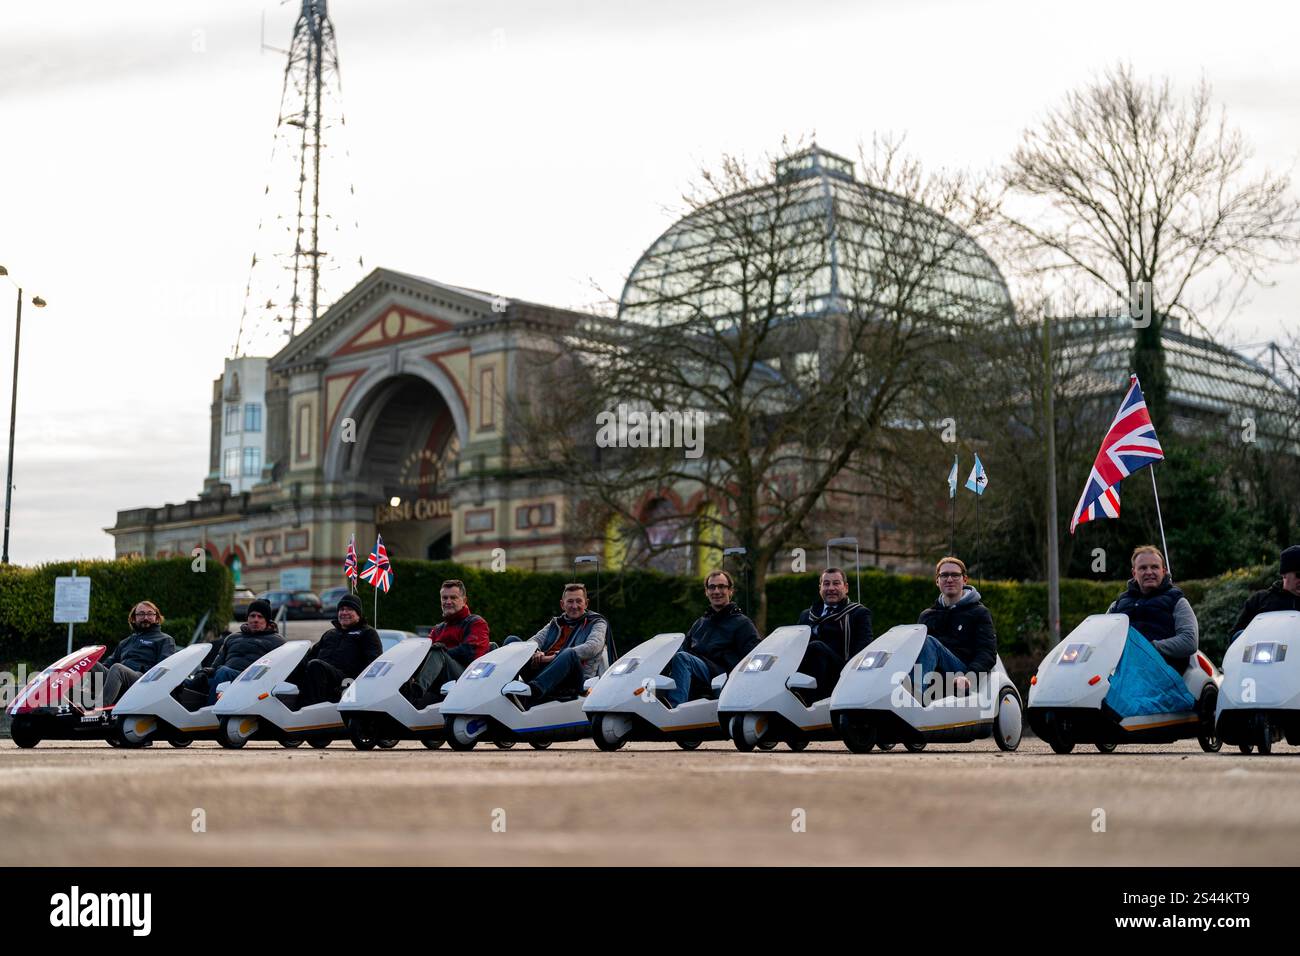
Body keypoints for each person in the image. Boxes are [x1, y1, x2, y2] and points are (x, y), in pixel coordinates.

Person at [663, 570, 759, 708]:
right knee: (673, 650)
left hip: (722, 675)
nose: (716, 591)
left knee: (682, 658)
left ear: (730, 591)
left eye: (721, 586)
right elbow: (684, 647)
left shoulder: (742, 623)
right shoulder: (700, 623)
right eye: (712, 587)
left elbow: (753, 656)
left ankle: (674, 709)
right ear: (706, 592)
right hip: (698, 668)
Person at [509, 583, 609, 705]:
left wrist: (554, 656)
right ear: (562, 604)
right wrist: (537, 653)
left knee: (569, 652)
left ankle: (535, 691)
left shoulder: (597, 622)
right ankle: (506, 691)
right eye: (570, 601)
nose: (574, 606)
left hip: (573, 678)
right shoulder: (556, 623)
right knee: (513, 641)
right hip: (544, 671)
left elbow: (593, 647)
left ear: (586, 603)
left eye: (579, 601)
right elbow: (532, 642)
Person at [913, 556, 997, 699]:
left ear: (965, 579)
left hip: (962, 673)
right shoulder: (927, 616)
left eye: (955, 575)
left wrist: (969, 676)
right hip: (932, 675)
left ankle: (914, 698)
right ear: (937, 580)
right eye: (944, 575)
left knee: (929, 642)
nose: (949, 579)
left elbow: (987, 653)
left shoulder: (979, 612)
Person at [1106, 545, 1198, 671]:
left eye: (1154, 567)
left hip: (1163, 675)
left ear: (1163, 571)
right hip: (1124, 672)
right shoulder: (1118, 604)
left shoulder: (1177, 601)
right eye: (1143, 568)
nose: (1149, 572)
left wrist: (1149, 648)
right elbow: (1102, 637)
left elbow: (1189, 641)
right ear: (1134, 573)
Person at [405, 579, 491, 707]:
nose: (448, 602)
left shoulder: (476, 623)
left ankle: (414, 692)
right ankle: (403, 689)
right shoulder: (438, 629)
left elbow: (471, 653)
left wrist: (443, 651)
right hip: (438, 683)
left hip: (467, 679)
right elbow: (424, 653)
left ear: (464, 600)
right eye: (444, 598)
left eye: (453, 597)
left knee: (436, 652)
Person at [183, 599, 284, 707]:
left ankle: (211, 712)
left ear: (267, 620)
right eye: (252, 616)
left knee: (223, 671)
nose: (255, 620)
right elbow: (216, 666)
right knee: (183, 682)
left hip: (250, 682)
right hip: (223, 678)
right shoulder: (232, 638)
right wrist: (204, 672)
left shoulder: (276, 641)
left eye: (260, 617)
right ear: (247, 618)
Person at [795, 568, 873, 703]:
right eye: (826, 584)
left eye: (836, 583)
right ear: (820, 588)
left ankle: (812, 700)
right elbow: (795, 647)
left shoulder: (858, 614)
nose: (831, 588)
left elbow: (863, 649)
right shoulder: (807, 615)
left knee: (816, 647)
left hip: (842, 673)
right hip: (806, 672)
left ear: (846, 587)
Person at [292, 594, 382, 707]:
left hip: (347, 682)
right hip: (320, 677)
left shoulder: (367, 633)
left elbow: (373, 664)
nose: (344, 613)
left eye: (349, 609)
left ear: (358, 614)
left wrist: (360, 687)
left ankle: (308, 708)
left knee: (316, 665)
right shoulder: (330, 634)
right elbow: (310, 656)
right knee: (298, 666)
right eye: (342, 609)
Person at [91, 601, 177, 707]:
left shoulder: (165, 640)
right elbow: (107, 665)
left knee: (118, 668)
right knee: (89, 663)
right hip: (118, 681)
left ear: (157, 617)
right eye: (141, 614)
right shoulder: (126, 642)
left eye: (150, 614)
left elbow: (164, 669)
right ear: (134, 618)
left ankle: (98, 708)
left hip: (143, 682)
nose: (145, 617)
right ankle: (76, 704)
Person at [1230, 545, 1300, 637]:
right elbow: (1234, 635)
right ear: (1284, 574)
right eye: (1299, 575)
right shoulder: (1259, 600)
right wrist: (1241, 636)